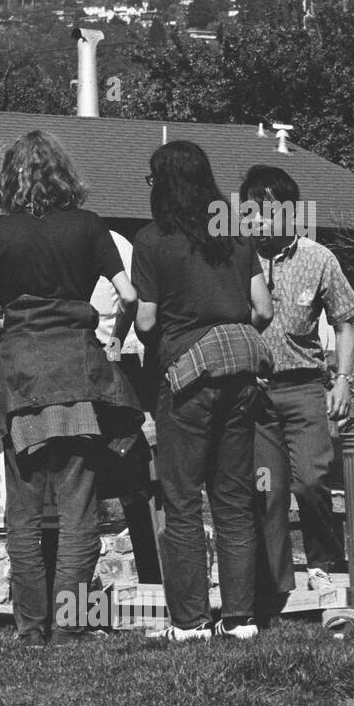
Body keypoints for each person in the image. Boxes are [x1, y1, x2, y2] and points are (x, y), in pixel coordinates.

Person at [0, 131, 145, 646]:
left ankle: (30, 629)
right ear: (64, 174)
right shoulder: (91, 227)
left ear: (10, 178)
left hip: (22, 376)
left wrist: (20, 327)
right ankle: (71, 625)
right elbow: (129, 294)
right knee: (78, 508)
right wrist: (113, 339)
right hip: (79, 368)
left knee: (23, 513)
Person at [132, 141, 274, 642]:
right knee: (233, 499)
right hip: (240, 373)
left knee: (182, 499)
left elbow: (147, 319)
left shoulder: (152, 240)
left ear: (164, 186)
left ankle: (190, 622)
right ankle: (241, 619)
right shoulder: (234, 232)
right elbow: (264, 311)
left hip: (185, 374)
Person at [243, 166, 354, 601]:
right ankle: (273, 582)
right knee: (264, 488)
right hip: (252, 393)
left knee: (312, 482)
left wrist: (343, 380)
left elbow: (346, 323)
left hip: (305, 387)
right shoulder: (235, 257)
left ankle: (322, 565)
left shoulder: (318, 258)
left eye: (270, 212)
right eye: (251, 212)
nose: (260, 221)